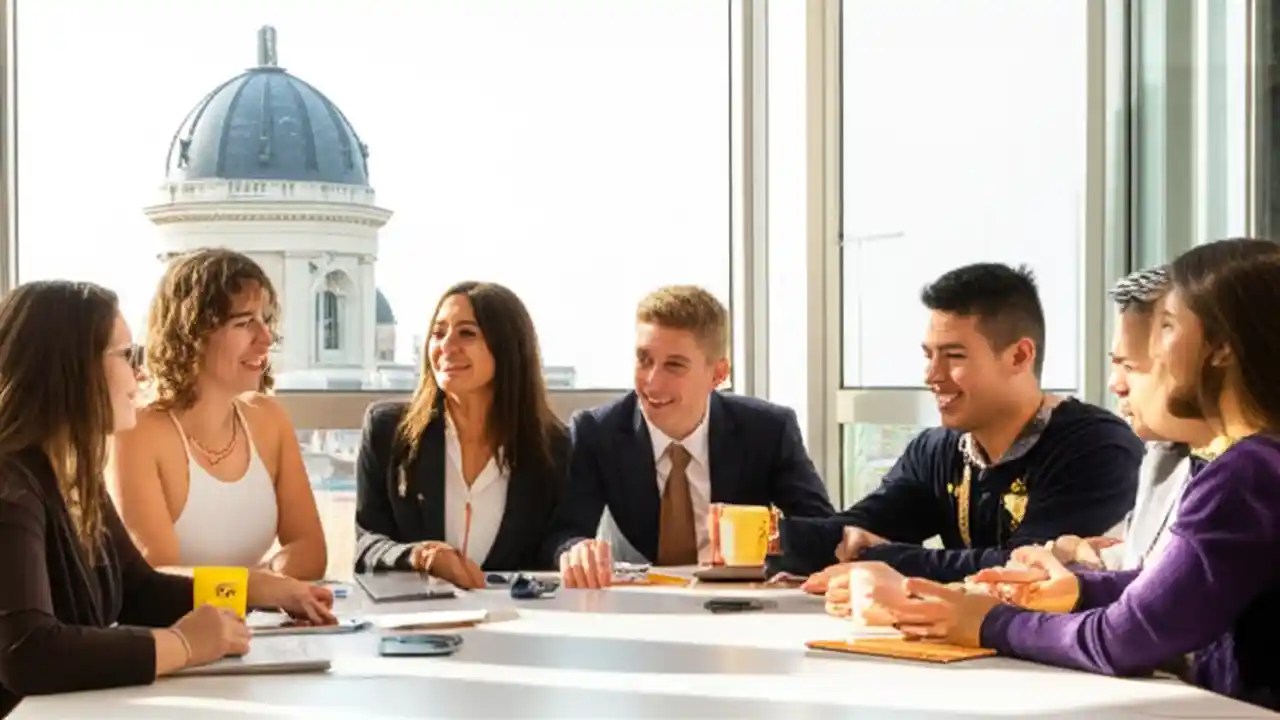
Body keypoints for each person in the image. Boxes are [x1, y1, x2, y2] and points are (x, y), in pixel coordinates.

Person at [855, 238, 1280, 711]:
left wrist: (989, 622)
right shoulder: (1243, 462)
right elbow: (1168, 589)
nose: (1152, 351)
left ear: (1221, 349)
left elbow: (1128, 637)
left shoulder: (1249, 474)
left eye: (1167, 325)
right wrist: (1077, 589)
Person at [0, 281, 333, 716]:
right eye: (125, 356)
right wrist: (182, 645)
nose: (139, 374)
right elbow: (28, 653)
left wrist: (255, 589)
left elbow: (137, 589)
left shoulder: (72, 474)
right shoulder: (10, 489)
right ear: (73, 368)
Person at [790, 263, 1143, 587]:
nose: (932, 376)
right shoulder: (937, 450)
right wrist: (764, 537)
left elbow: (1028, 570)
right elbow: (852, 533)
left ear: (1019, 356)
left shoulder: (1097, 450)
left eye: (954, 356)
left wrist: (881, 558)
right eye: (929, 355)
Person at [550, 285, 834, 588]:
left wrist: (766, 540)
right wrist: (576, 550)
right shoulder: (597, 432)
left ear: (718, 374)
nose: (652, 382)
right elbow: (564, 533)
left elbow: (823, 530)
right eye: (644, 359)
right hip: (638, 599)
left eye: (674, 366)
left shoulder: (768, 430)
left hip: (739, 597)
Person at [107, 249, 327, 579]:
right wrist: (260, 585)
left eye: (265, 320)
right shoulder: (138, 433)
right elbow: (159, 582)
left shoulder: (269, 419)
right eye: (244, 323)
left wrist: (264, 581)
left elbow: (311, 551)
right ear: (191, 335)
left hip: (256, 612)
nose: (266, 338)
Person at [355, 282, 570, 587]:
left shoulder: (554, 448)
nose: (447, 346)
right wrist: (420, 556)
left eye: (467, 333)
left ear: (508, 347)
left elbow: (556, 543)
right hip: (416, 614)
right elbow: (366, 544)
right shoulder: (387, 431)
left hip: (513, 613)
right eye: (438, 333)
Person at [1051, 266, 1217, 571]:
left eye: (1129, 366)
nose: (1116, 384)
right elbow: (1134, 558)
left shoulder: (1250, 476)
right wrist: (1074, 556)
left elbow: (1159, 589)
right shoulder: (1165, 451)